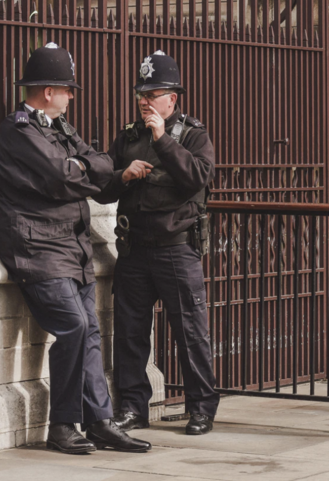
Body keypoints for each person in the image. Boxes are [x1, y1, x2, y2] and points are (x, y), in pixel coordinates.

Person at [0, 43, 151, 454]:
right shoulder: (18, 130)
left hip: (70, 248)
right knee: (75, 327)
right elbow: (62, 178)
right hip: (37, 249)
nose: (72, 96)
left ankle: (98, 421)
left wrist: (83, 167)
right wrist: (80, 169)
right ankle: (62, 424)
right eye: (68, 89)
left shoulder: (59, 127)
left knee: (89, 331)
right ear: (48, 91)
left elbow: (96, 164)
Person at [95, 50, 220, 435]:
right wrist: (124, 177)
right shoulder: (128, 138)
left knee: (190, 332)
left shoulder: (193, 136)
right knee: (130, 335)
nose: (146, 102)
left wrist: (162, 138)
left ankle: (201, 407)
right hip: (134, 249)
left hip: (175, 247)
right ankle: (133, 407)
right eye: (141, 95)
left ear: (173, 99)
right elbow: (102, 189)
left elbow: (197, 177)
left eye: (154, 94)